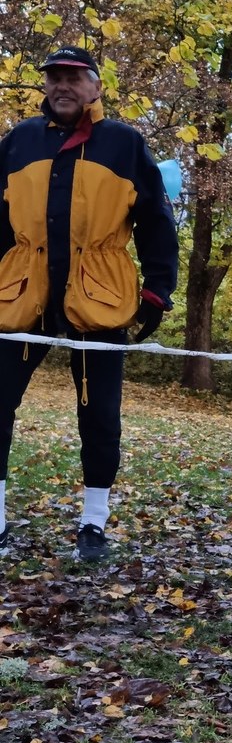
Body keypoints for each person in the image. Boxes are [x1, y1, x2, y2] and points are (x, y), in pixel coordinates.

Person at [0, 46, 179, 563]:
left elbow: (156, 223)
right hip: (19, 295)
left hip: (99, 296)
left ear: (96, 87)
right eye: (54, 77)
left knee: (98, 416)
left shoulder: (124, 144)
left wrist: (156, 292)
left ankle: (93, 523)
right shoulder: (17, 142)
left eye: (74, 78)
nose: (63, 86)